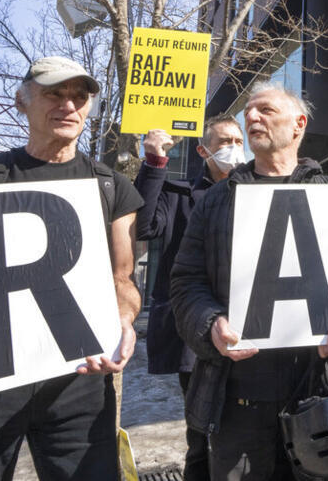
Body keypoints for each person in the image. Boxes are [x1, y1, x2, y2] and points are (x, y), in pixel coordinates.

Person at [0, 56, 144, 480]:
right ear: (22, 100)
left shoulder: (111, 187)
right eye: (54, 93)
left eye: (79, 96)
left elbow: (121, 281)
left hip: (80, 385)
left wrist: (124, 321)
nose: (69, 105)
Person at [170, 81, 328, 480]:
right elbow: (185, 282)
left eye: (266, 110)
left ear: (299, 124)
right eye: (249, 111)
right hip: (237, 398)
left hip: (321, 393)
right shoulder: (218, 200)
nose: (252, 117)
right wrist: (210, 324)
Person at [134, 113, 245, 480]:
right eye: (224, 143)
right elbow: (146, 226)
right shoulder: (178, 195)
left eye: (238, 142)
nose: (233, 149)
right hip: (197, 333)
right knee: (202, 432)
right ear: (203, 151)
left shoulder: (257, 192)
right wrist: (154, 163)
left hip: (247, 325)